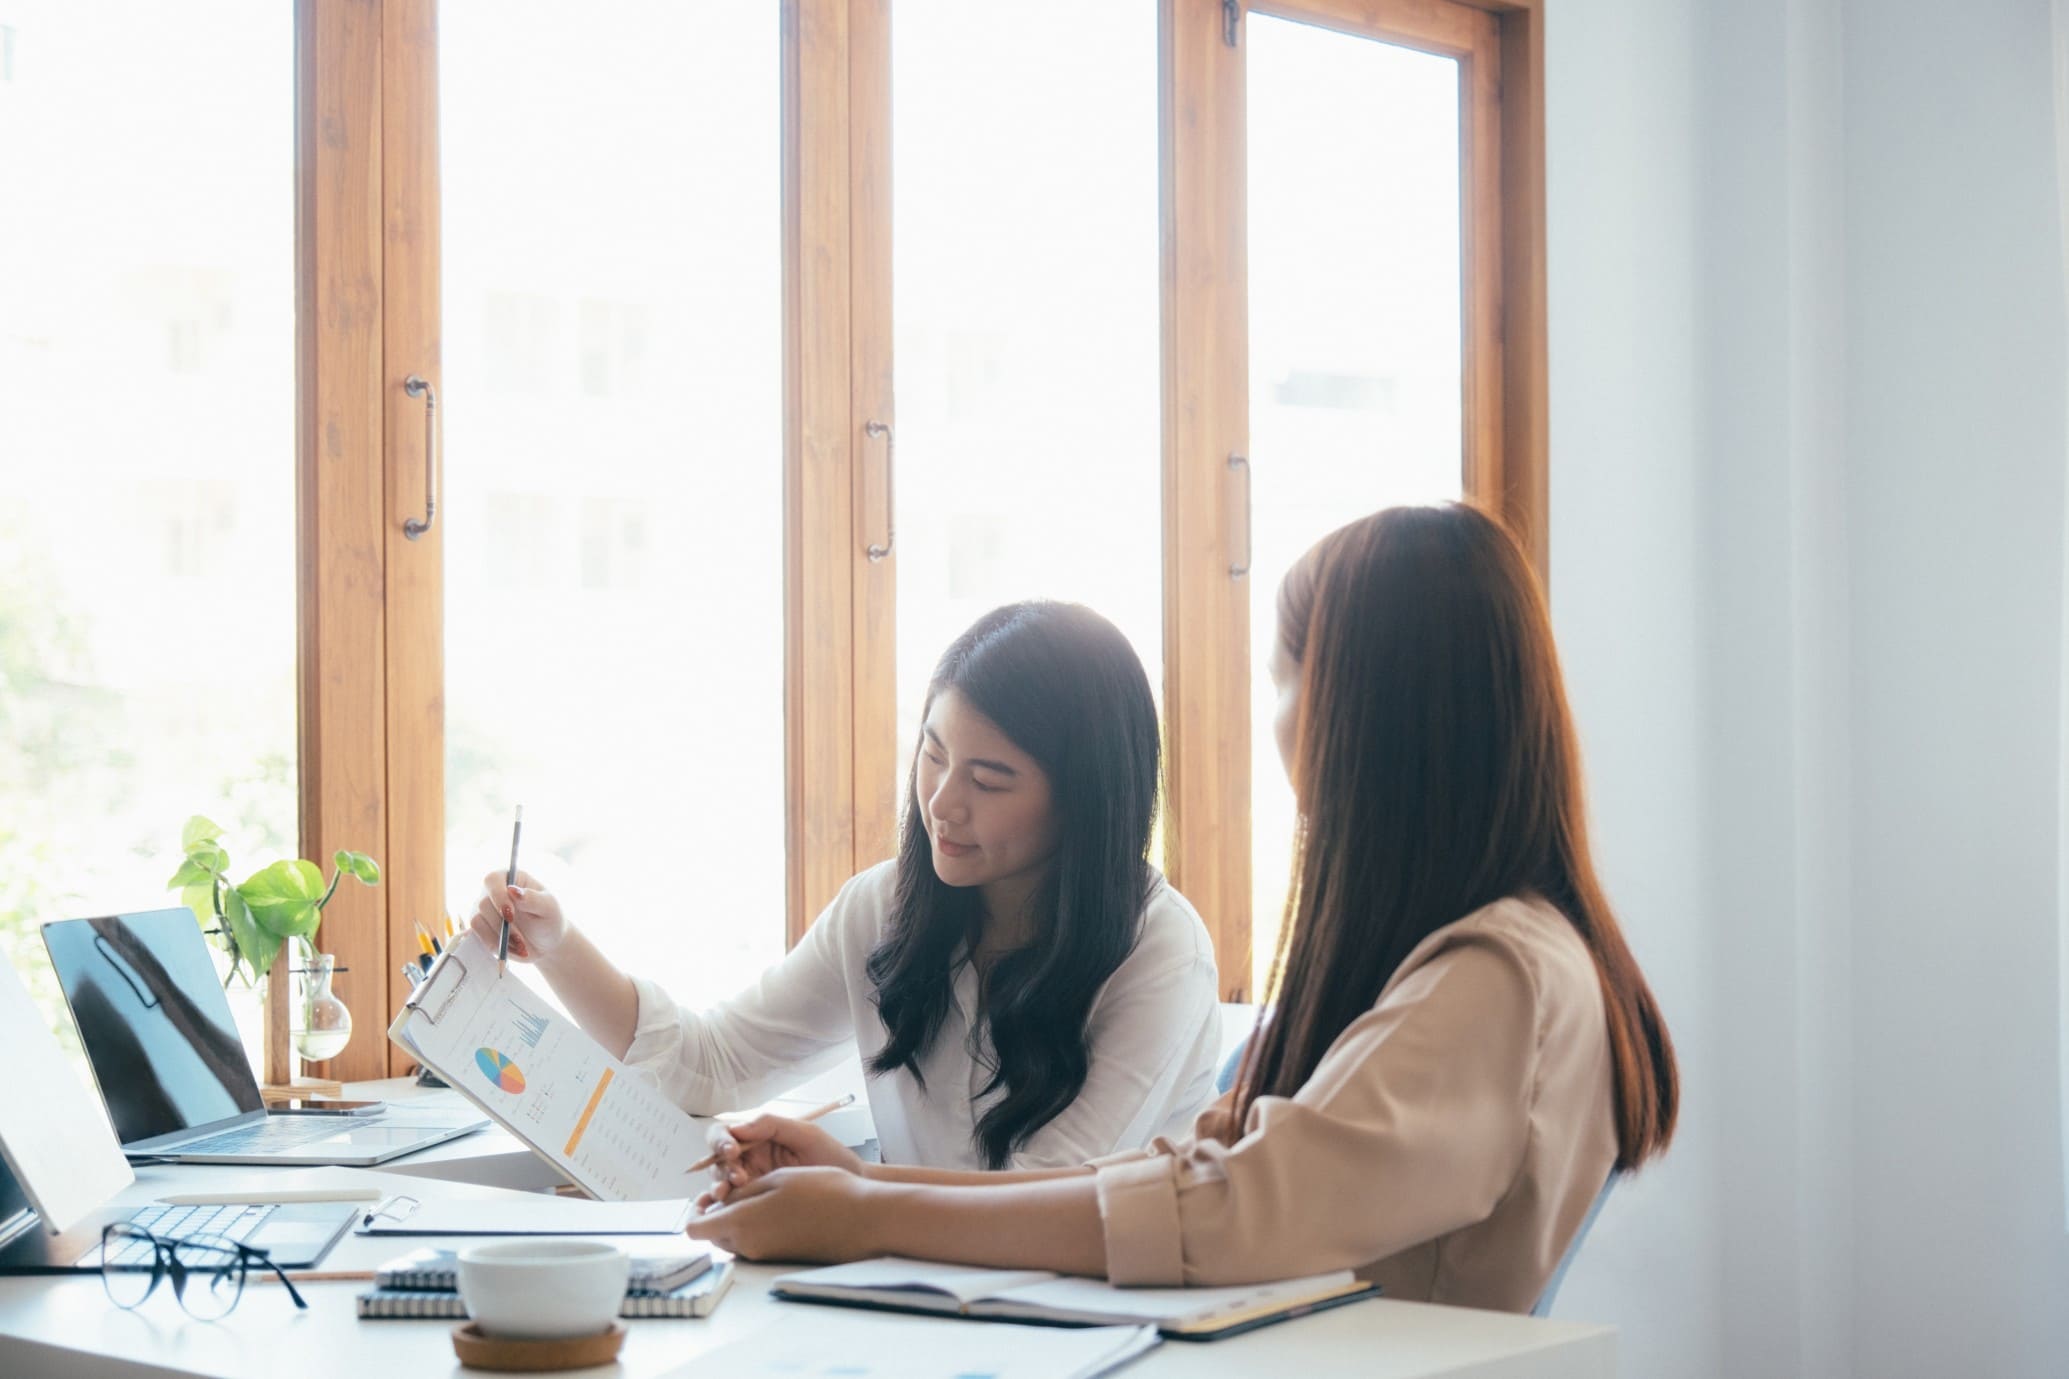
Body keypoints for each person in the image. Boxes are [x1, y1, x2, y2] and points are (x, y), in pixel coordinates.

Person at [683, 503, 1681, 1313]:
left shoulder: (1497, 976)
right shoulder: (1445, 961)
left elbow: (1227, 1208)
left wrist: (866, 1213)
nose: (1276, 715)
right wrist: (868, 1191)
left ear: (1372, 710)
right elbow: (1189, 1173)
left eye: (1286, 673)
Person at [470, 600, 1221, 1172]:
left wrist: (855, 1187)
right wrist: (559, 944)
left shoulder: (1158, 950)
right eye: (932, 755)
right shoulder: (885, 908)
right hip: (914, 1298)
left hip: (1107, 1325)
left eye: (989, 779)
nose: (943, 802)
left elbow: (1054, 1192)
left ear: (1084, 798)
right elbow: (712, 1062)